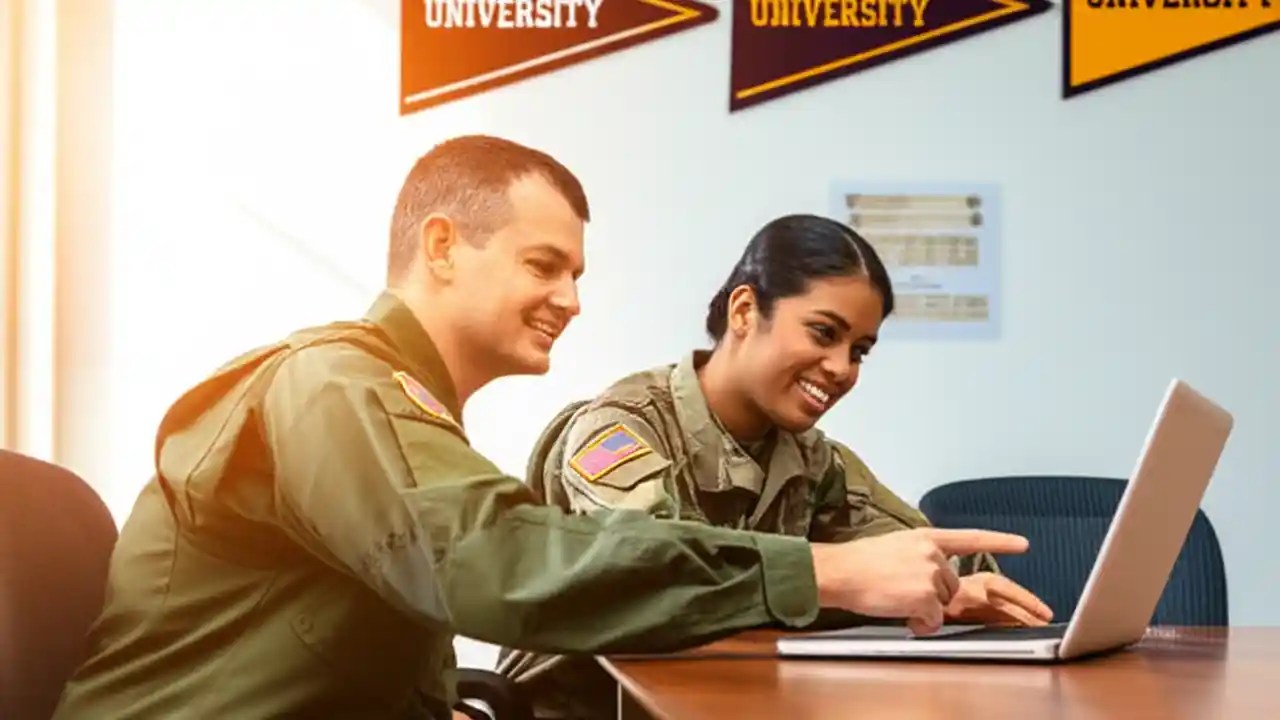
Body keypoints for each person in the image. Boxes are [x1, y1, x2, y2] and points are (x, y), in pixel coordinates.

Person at [54, 137, 1033, 720]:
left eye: (576, 273)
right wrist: (822, 573)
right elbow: (500, 564)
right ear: (442, 247)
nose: (570, 297)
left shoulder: (402, 406)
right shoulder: (330, 386)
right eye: (541, 265)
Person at [496, 214, 1054, 719]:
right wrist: (843, 579)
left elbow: (913, 551)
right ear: (744, 312)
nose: (840, 368)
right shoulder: (619, 430)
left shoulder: (811, 457)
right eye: (823, 332)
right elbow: (656, 573)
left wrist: (960, 588)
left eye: (859, 350)